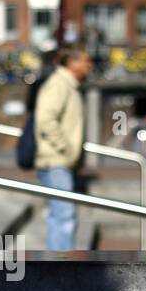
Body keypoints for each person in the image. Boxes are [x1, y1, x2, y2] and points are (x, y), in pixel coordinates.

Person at [33, 46, 92, 251]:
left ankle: (57, 266)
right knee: (64, 216)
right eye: (85, 60)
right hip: (55, 161)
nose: (89, 65)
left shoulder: (69, 85)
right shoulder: (59, 85)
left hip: (58, 161)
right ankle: (61, 270)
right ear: (72, 63)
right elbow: (45, 119)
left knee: (59, 215)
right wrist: (67, 150)